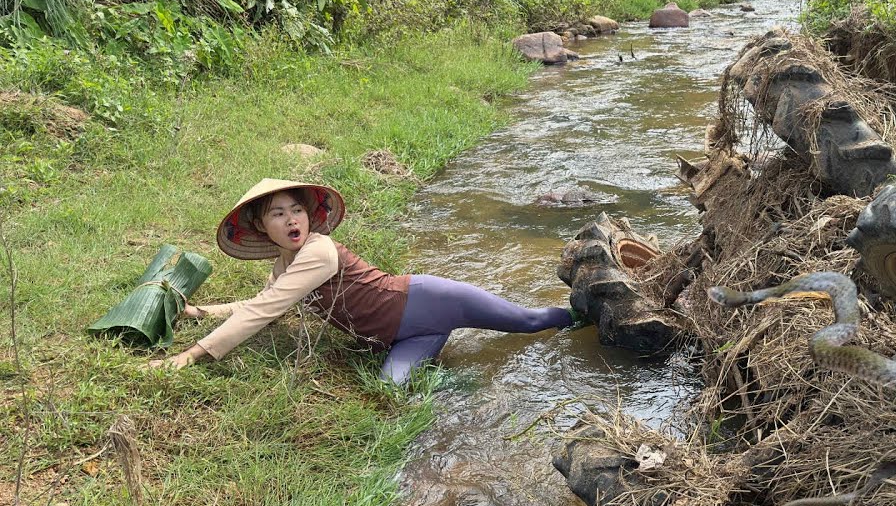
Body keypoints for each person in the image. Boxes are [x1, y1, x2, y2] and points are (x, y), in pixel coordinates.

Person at [149, 178, 582, 384]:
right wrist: (199, 311)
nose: (290, 219)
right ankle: (466, 383)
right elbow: (263, 301)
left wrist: (189, 357)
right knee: (390, 388)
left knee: (530, 322)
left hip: (433, 301)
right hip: (406, 334)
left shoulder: (318, 251)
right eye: (277, 214)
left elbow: (266, 311)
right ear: (262, 228)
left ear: (307, 216)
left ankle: (588, 315)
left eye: (294, 210)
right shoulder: (286, 266)